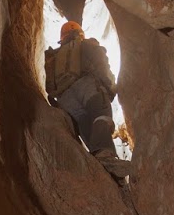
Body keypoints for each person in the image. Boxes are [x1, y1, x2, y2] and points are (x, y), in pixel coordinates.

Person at [44, 22, 129, 178]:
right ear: (79, 33)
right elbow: (100, 63)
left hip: (65, 98)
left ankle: (99, 163)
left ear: (62, 38)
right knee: (101, 115)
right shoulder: (85, 45)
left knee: (84, 124)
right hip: (86, 85)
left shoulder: (55, 56)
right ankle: (105, 156)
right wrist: (108, 88)